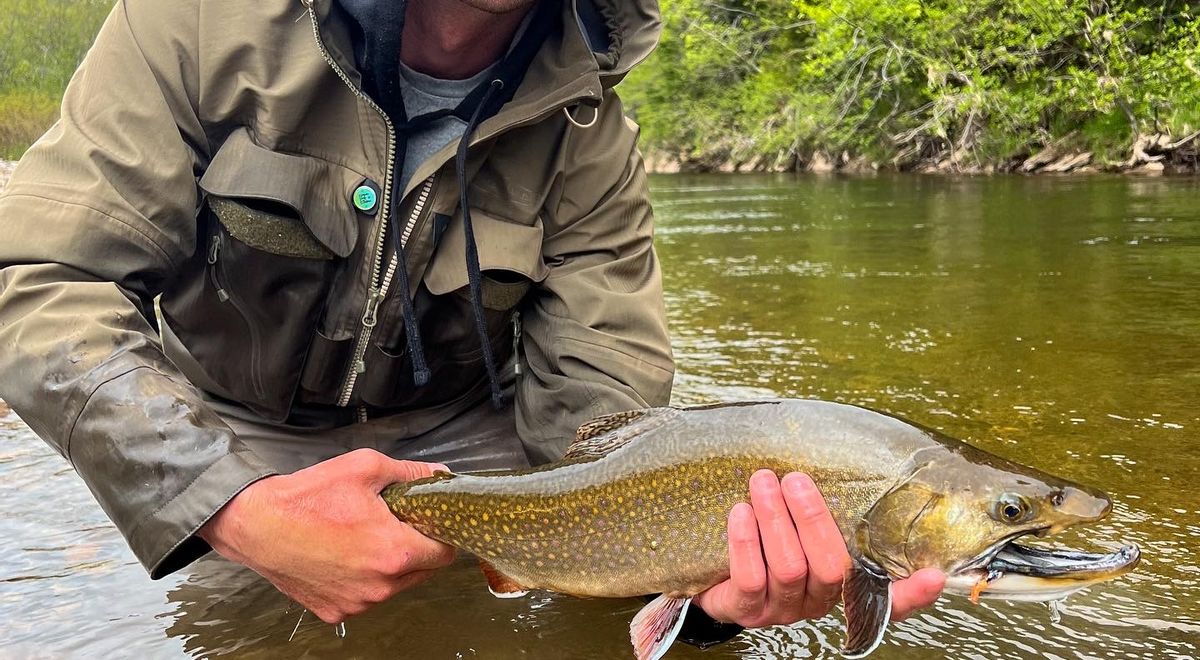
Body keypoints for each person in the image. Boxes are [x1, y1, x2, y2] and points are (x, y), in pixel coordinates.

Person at [0, 0, 943, 648]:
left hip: (476, 446)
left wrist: (701, 595)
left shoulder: (590, 133)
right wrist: (222, 505)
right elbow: (36, 275)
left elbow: (600, 423)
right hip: (232, 431)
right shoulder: (196, 22)